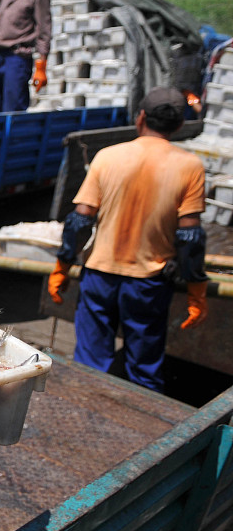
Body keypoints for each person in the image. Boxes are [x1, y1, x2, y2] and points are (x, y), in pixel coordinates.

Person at [48, 87, 208, 392]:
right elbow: (189, 236)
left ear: (141, 118)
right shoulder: (190, 166)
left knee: (89, 365)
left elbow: (80, 221)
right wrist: (196, 291)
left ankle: (82, 418)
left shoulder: (107, 157)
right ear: (177, 126)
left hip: (98, 277)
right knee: (144, 371)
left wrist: (62, 267)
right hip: (148, 283)